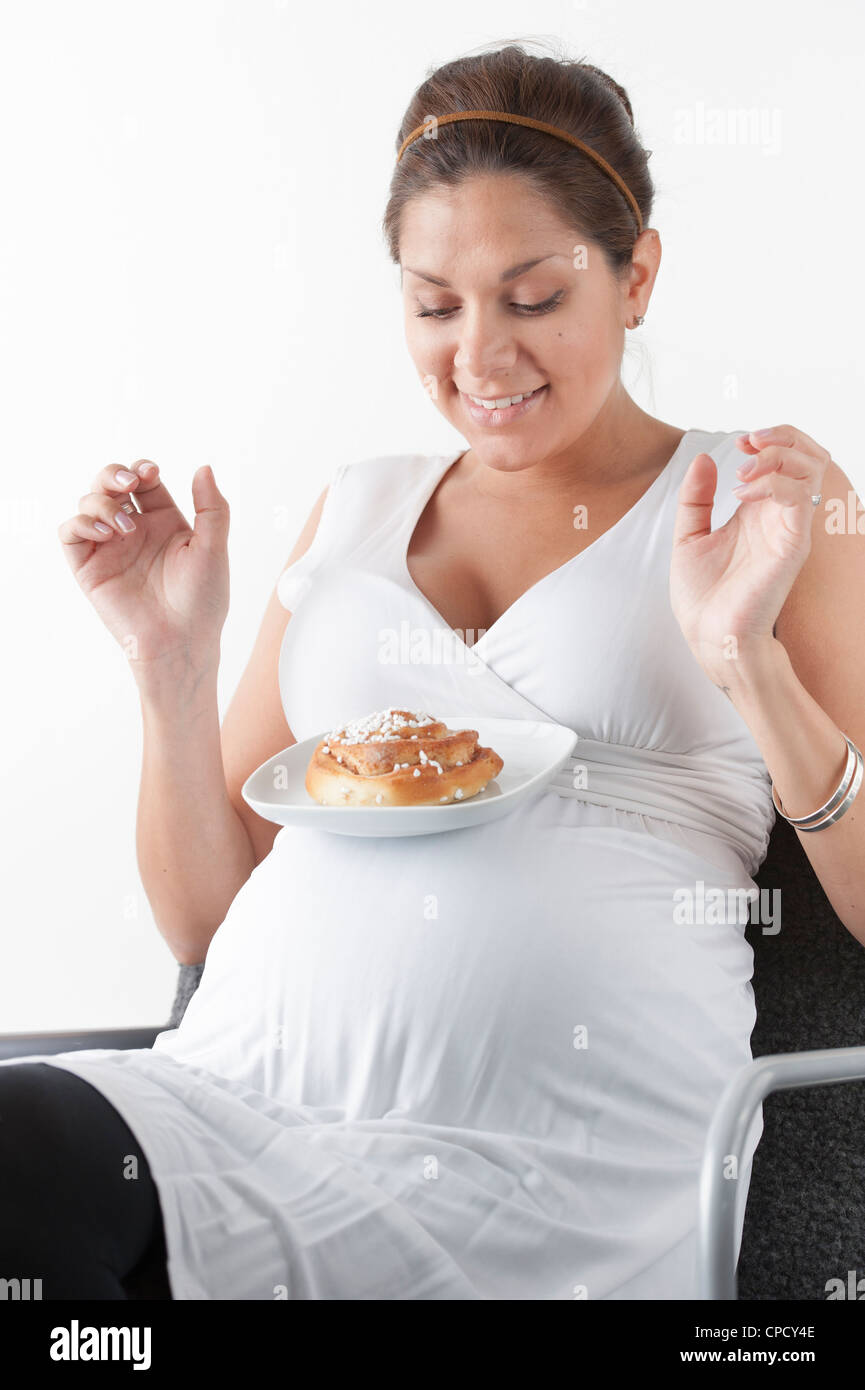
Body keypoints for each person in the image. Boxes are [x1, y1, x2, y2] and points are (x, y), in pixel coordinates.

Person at [2, 41, 863, 1301]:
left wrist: (746, 661)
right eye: (434, 304)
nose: (480, 358)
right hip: (230, 1103)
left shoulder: (759, 498)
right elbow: (204, 920)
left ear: (637, 278)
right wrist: (170, 667)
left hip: (549, 1169)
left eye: (531, 300)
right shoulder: (351, 513)